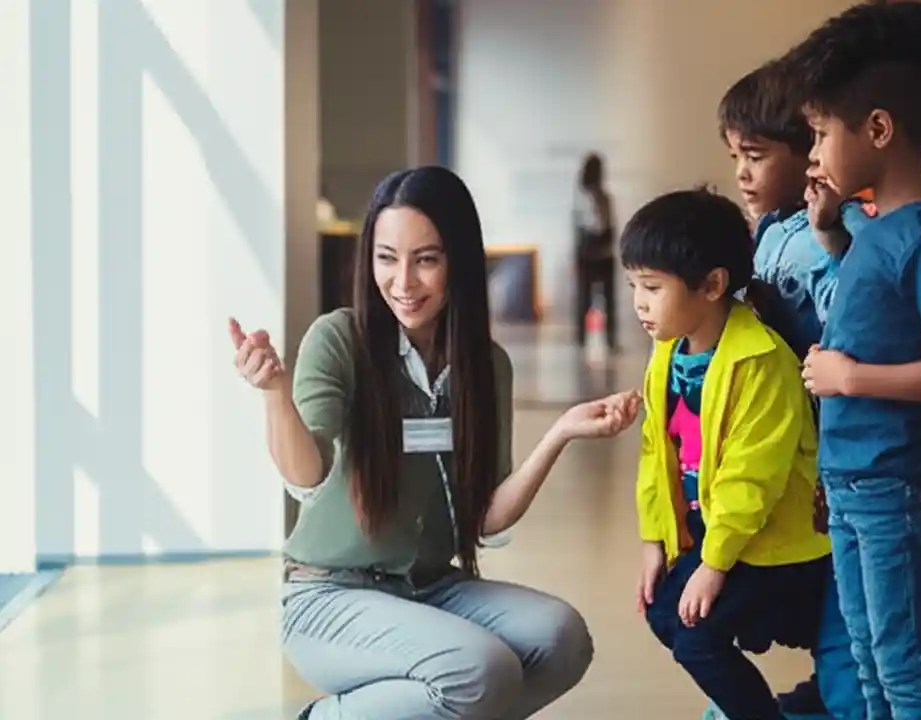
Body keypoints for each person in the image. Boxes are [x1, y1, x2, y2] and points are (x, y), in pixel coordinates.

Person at [229, 166, 641, 720]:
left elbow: (485, 517)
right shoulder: (339, 340)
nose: (403, 282)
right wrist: (274, 391)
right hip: (329, 597)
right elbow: (308, 476)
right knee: (480, 670)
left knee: (562, 638)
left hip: (429, 588)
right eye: (386, 258)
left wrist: (560, 432)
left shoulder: (484, 365)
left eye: (425, 259)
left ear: (459, 262)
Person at [787, 4, 921, 719]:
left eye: (820, 136)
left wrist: (852, 379)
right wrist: (829, 231)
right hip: (855, 479)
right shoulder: (875, 229)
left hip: (897, 483)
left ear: (878, 129)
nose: (811, 156)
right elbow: (877, 294)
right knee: (872, 661)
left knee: (906, 667)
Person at [626, 188, 833, 720]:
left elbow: (751, 479)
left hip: (772, 549)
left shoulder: (761, 361)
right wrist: (655, 540)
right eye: (634, 287)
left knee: (696, 637)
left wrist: (713, 567)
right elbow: (656, 452)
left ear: (713, 285)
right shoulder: (668, 352)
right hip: (724, 536)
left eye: (652, 287)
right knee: (663, 613)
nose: (639, 304)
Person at [713, 60, 879, 720]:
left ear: (807, 152)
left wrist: (828, 239)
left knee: (844, 612)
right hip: (787, 454)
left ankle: (841, 700)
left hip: (832, 459)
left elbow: (855, 320)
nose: (742, 174)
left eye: (755, 155)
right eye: (735, 156)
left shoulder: (825, 236)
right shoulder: (766, 234)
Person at [573, 152, 619, 349]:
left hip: (602, 252)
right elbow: (582, 228)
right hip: (590, 252)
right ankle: (581, 339)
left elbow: (609, 225)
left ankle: (610, 339)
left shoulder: (604, 197)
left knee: (608, 298)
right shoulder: (583, 198)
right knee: (585, 297)